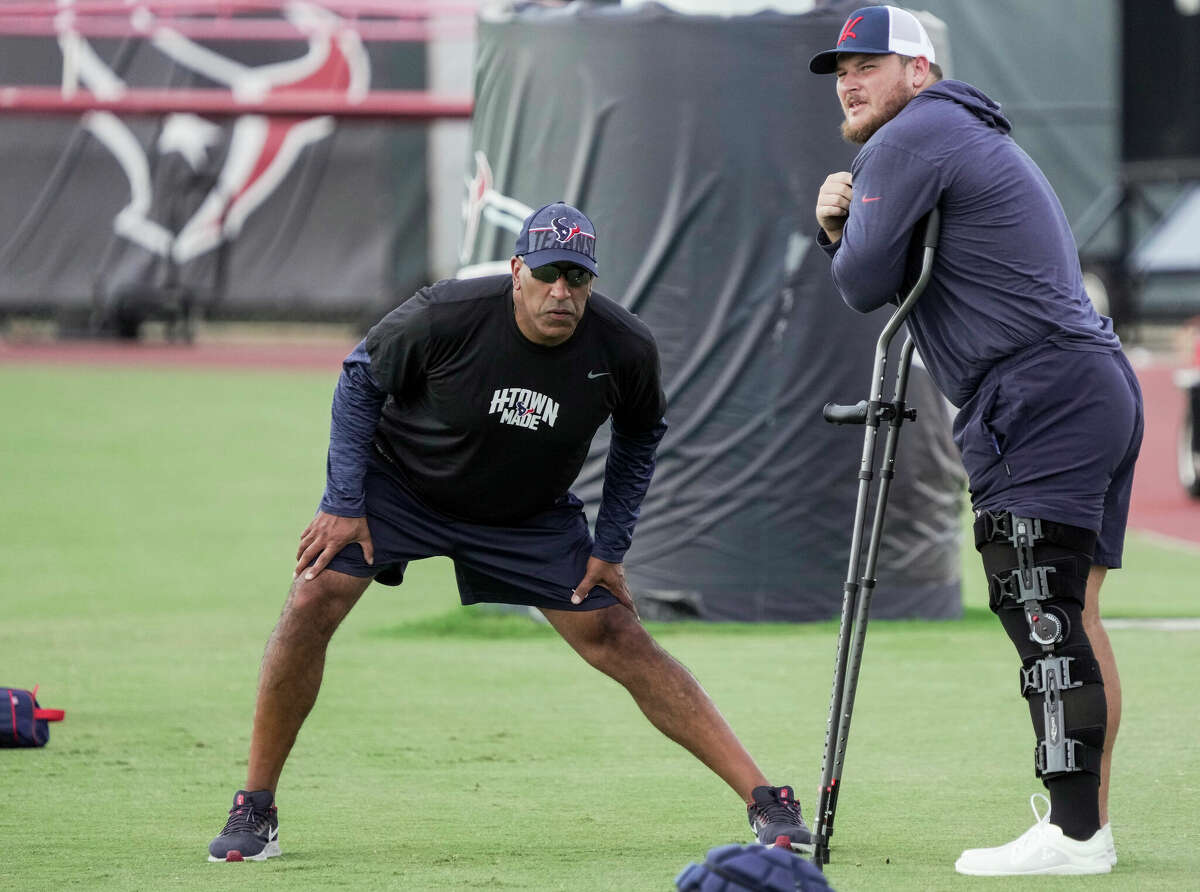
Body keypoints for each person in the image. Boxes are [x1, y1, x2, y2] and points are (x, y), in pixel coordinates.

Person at [206, 201, 811, 862]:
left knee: (615, 633)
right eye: (547, 273)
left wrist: (611, 548)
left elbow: (641, 436)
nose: (562, 292)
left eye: (577, 278)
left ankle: (766, 800)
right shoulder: (446, 314)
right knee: (311, 598)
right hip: (403, 487)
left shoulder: (624, 347)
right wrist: (344, 501)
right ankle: (254, 808)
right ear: (516, 270)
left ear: (591, 282)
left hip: (528, 512)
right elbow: (359, 380)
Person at [808, 6, 1143, 877]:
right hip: (1087, 380)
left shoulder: (910, 139)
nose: (850, 79)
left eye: (869, 64)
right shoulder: (957, 129)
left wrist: (835, 227)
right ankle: (1088, 829)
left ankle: (1074, 836)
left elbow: (862, 282)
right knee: (1072, 610)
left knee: (1038, 604)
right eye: (841, 69)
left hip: (1036, 393)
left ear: (919, 70)